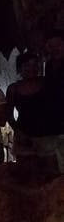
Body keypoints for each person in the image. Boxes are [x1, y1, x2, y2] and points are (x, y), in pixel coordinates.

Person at [5, 51, 51, 163]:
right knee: (25, 174)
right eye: (27, 65)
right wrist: (18, 131)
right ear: (20, 69)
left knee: (47, 174)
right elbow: (9, 115)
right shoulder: (13, 89)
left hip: (46, 135)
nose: (31, 68)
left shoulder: (46, 83)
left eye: (35, 65)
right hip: (23, 135)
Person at [44, 30, 64, 173]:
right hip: (54, 123)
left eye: (58, 45)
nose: (55, 49)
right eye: (51, 46)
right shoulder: (49, 66)